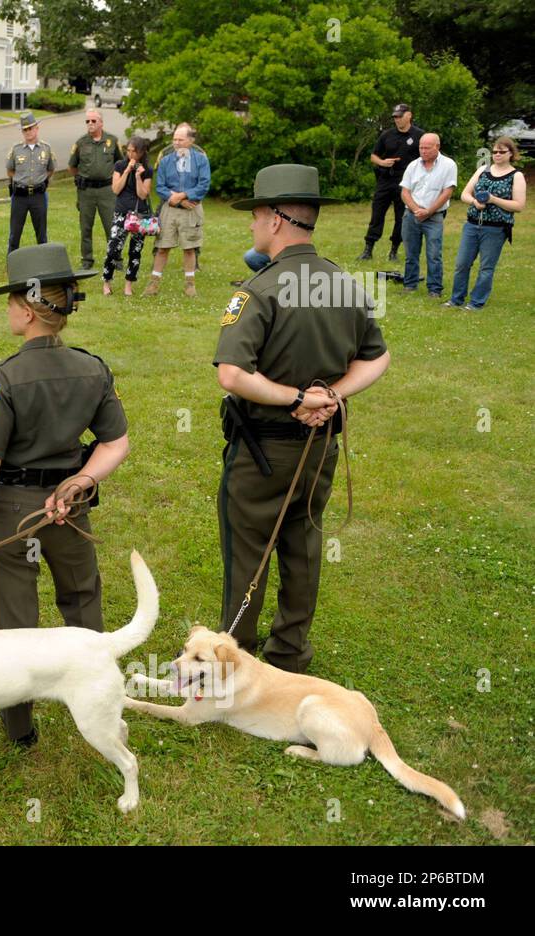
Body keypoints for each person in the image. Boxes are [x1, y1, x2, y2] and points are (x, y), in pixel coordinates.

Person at [0, 242, 130, 747]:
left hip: (12, 511)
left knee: (12, 622)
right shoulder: (93, 368)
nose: (7, 310)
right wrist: (78, 482)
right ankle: (95, 697)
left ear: (26, 311)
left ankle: (20, 728)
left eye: (9, 301)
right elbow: (116, 443)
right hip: (69, 510)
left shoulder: (4, 377)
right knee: (82, 601)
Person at [215, 164, 390, 672]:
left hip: (263, 451)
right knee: (304, 541)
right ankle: (290, 652)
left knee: (248, 548)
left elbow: (232, 374)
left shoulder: (257, 290)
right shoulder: (343, 283)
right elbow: (377, 356)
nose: (251, 225)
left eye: (254, 215)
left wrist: (298, 397)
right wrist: (330, 395)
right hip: (319, 449)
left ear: (273, 219)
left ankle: (234, 658)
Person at [447, 136, 525, 310]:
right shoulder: (483, 169)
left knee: (486, 268)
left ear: (511, 154)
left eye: (501, 152)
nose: (497, 155)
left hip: (496, 228)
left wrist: (493, 199)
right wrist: (475, 202)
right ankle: (456, 299)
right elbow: (464, 194)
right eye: (495, 151)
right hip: (472, 224)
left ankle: (476, 302)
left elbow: (519, 205)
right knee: (462, 263)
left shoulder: (516, 176)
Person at [143, 123, 210, 298]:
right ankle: (153, 284)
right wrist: (179, 201)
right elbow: (160, 187)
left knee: (189, 248)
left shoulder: (201, 160)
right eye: (174, 140)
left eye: (180, 139)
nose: (176, 143)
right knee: (162, 247)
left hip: (192, 209)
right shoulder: (165, 161)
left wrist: (183, 195)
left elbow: (203, 185)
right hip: (170, 209)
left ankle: (190, 286)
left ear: (190, 141)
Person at [358, 104, 423, 261]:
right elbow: (374, 156)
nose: (397, 119)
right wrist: (382, 162)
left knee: (401, 217)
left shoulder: (419, 135)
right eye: (395, 117)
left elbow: (426, 157)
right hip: (386, 179)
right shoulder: (387, 135)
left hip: (407, 183)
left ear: (409, 115)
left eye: (400, 116)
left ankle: (394, 251)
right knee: (377, 215)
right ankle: (368, 249)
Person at [399, 133, 457, 297]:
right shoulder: (413, 165)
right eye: (421, 147)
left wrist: (428, 211)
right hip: (411, 215)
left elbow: (447, 192)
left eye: (427, 148)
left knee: (434, 254)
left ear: (437, 147)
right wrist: (417, 210)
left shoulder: (449, 165)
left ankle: (435, 289)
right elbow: (405, 192)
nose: (423, 151)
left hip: (434, 217)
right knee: (411, 253)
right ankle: (410, 285)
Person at [69, 109, 123, 269]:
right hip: (87, 192)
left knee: (112, 226)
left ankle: (116, 259)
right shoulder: (81, 143)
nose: (90, 124)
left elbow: (120, 164)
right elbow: (72, 166)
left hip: (107, 191)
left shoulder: (112, 141)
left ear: (101, 123)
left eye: (93, 121)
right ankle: (87, 260)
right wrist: (81, 177)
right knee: (85, 226)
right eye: (87, 121)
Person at [102, 135, 152, 296]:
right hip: (121, 213)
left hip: (139, 215)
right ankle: (106, 282)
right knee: (113, 248)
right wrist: (127, 171)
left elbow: (143, 195)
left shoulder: (147, 170)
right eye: (128, 151)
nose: (130, 154)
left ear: (142, 152)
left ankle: (128, 285)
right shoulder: (119, 165)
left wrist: (138, 176)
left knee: (135, 251)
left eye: (134, 151)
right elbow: (116, 189)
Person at [6, 113, 56, 251]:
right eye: (25, 129)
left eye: (30, 128)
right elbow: (10, 170)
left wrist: (40, 180)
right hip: (19, 196)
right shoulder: (16, 149)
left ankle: (44, 263)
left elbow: (50, 169)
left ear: (37, 128)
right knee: (15, 233)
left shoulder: (46, 148)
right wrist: (20, 180)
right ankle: (12, 262)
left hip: (38, 196)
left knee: (41, 234)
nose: (28, 132)